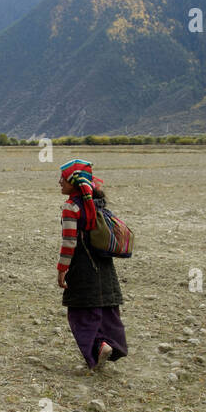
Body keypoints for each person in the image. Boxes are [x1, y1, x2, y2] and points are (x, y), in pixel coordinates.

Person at [56, 158, 128, 372]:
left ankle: (98, 347)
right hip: (105, 268)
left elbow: (69, 242)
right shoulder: (98, 205)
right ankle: (111, 344)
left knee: (80, 312)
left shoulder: (72, 207)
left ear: (74, 183)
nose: (59, 182)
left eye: (63, 178)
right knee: (106, 309)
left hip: (82, 269)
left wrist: (62, 269)